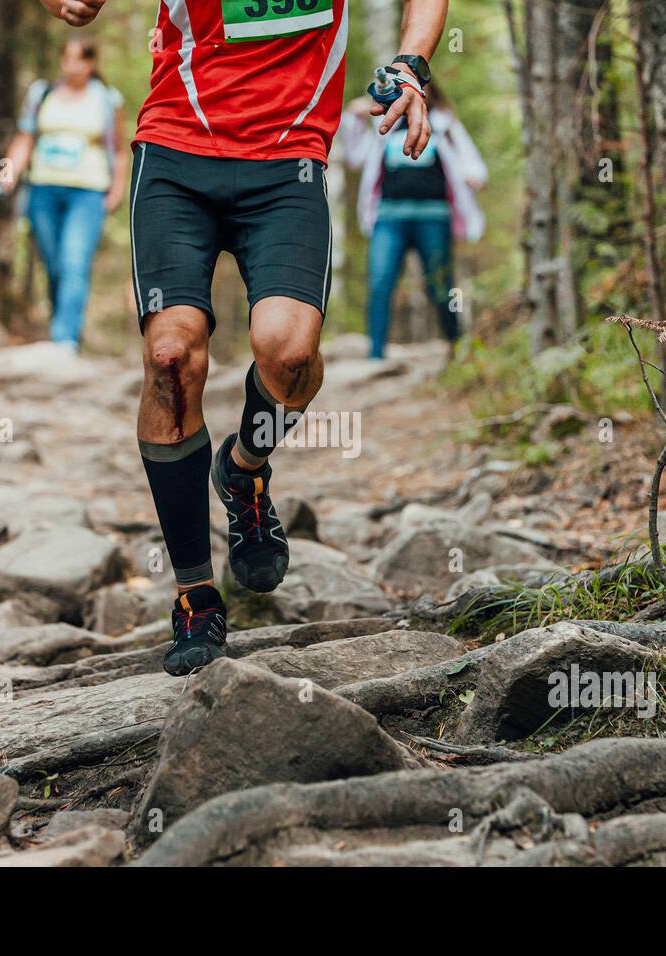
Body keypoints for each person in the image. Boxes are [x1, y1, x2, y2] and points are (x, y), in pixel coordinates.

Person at [40, 0, 447, 675]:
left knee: (289, 350)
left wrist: (412, 63)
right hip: (176, 153)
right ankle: (196, 593)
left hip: (287, 159)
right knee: (170, 357)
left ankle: (245, 472)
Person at [340, 82, 487, 359]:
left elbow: (472, 162)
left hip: (434, 216)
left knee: (441, 286)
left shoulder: (444, 123)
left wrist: (474, 176)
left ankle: (458, 349)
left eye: (419, 87)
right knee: (381, 281)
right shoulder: (384, 124)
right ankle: (376, 354)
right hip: (389, 216)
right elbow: (354, 158)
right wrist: (354, 119)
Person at [3, 38, 128, 349]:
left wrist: (116, 189)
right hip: (43, 189)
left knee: (74, 261)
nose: (74, 65)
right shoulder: (41, 94)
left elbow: (119, 149)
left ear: (91, 63)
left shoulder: (107, 99)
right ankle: (63, 322)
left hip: (87, 192)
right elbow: (24, 138)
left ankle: (64, 339)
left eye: (81, 59)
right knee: (55, 263)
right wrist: (7, 175)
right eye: (68, 58)